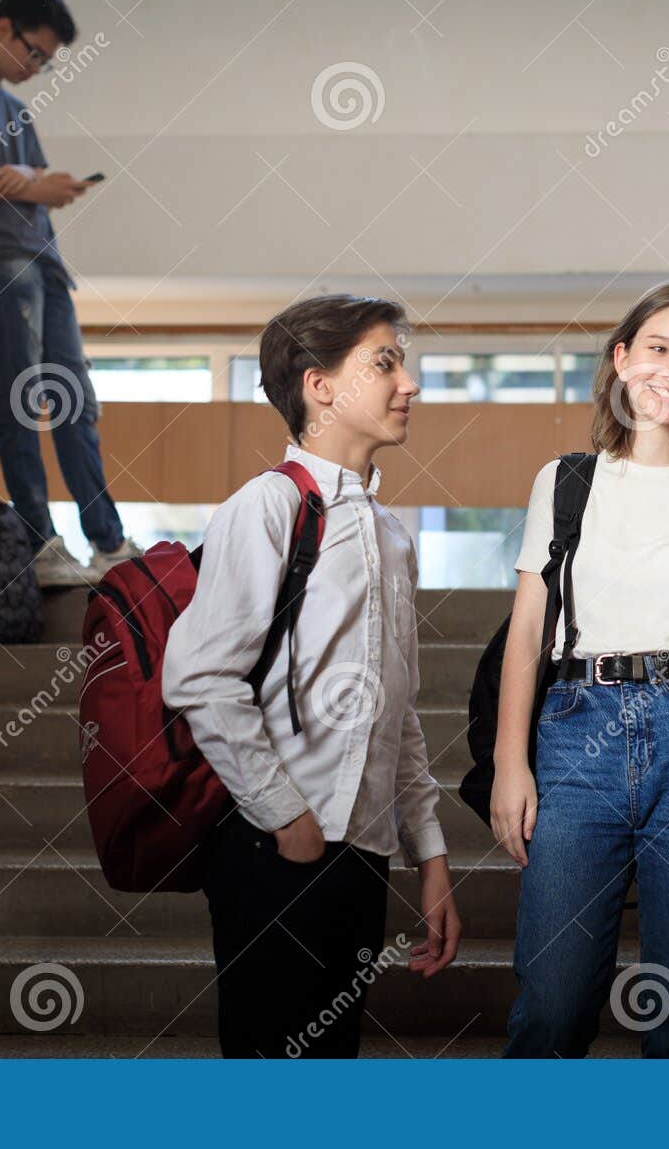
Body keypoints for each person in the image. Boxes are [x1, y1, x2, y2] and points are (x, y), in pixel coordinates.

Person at [160, 294, 460, 1058]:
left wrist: (429, 853)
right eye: (385, 362)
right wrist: (285, 816)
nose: (409, 384)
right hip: (274, 847)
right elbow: (200, 677)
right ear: (319, 385)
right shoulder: (265, 506)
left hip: (362, 852)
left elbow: (401, 708)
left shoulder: (393, 537)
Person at [491, 281, 669, 1057]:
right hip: (576, 736)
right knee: (553, 1002)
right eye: (656, 348)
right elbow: (526, 636)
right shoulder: (566, 481)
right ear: (620, 359)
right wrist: (509, 764)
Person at [0, 0, 139, 585]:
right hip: (2, 261)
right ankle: (39, 545)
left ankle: (109, 542)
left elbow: (31, 179)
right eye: (35, 52)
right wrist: (28, 187)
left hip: (44, 262)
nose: (35, 66)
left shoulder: (17, 108)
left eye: (45, 61)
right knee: (23, 399)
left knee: (74, 400)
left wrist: (50, 184)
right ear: (4, 28)